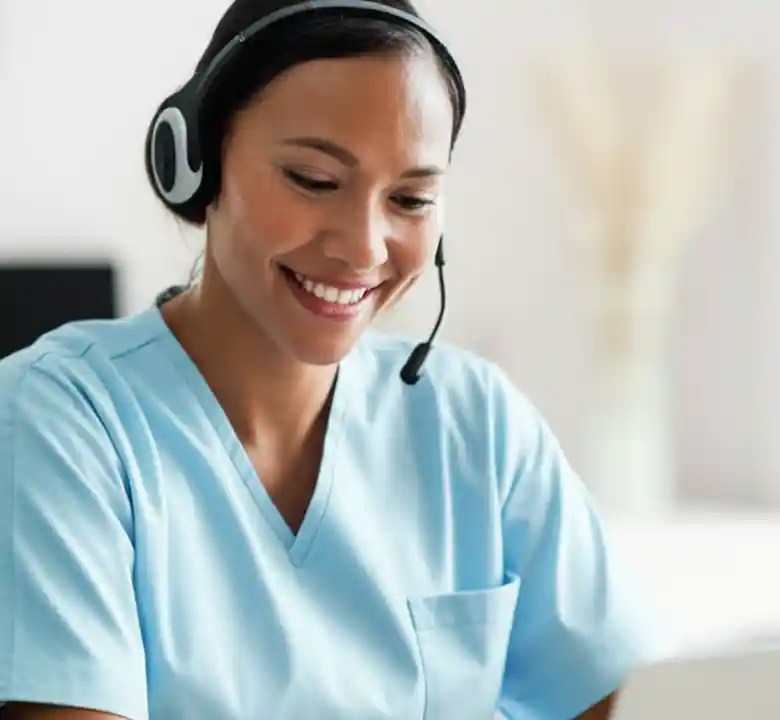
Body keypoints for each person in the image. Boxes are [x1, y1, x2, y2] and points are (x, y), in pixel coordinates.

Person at [0, 1, 664, 718]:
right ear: (196, 163)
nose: (364, 246)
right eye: (314, 180)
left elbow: (626, 702)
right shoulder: (60, 423)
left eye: (410, 198)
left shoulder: (476, 423)